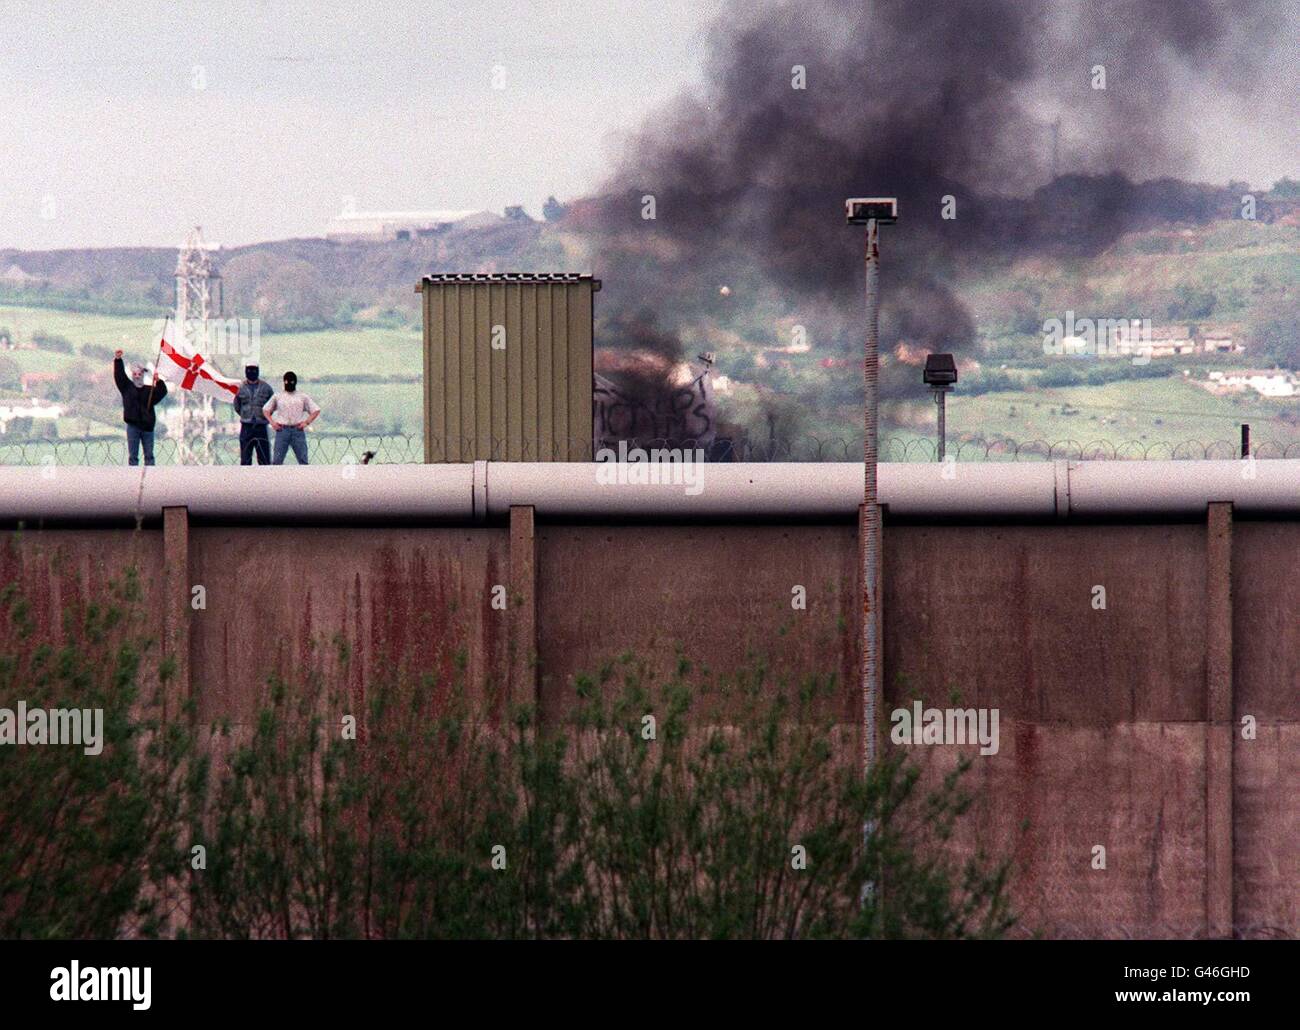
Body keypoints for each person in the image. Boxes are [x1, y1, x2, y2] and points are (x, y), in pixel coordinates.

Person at [113, 349, 167, 466]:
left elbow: (162, 392)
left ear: (143, 375)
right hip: (133, 427)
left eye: (139, 374)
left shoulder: (149, 391)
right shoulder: (127, 388)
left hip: (147, 428)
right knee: (133, 457)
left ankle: (150, 478)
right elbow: (119, 376)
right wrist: (118, 360)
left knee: (149, 456)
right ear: (132, 375)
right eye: (135, 374)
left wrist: (158, 382)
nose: (137, 376)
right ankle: (134, 479)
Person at [263, 370, 320, 465]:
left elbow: (316, 410)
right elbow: (266, 410)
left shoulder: (302, 397)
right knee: (277, 461)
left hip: (297, 430)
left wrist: (306, 422)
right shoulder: (278, 396)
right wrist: (272, 423)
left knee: (303, 460)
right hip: (282, 430)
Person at [233, 364, 273, 465]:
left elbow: (272, 404)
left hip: (261, 426)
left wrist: (265, 416)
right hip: (246, 427)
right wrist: (245, 415)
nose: (252, 372)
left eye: (254, 370)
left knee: (264, 459)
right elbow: (237, 405)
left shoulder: (266, 387)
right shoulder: (241, 388)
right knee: (245, 459)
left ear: (258, 371)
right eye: (249, 370)